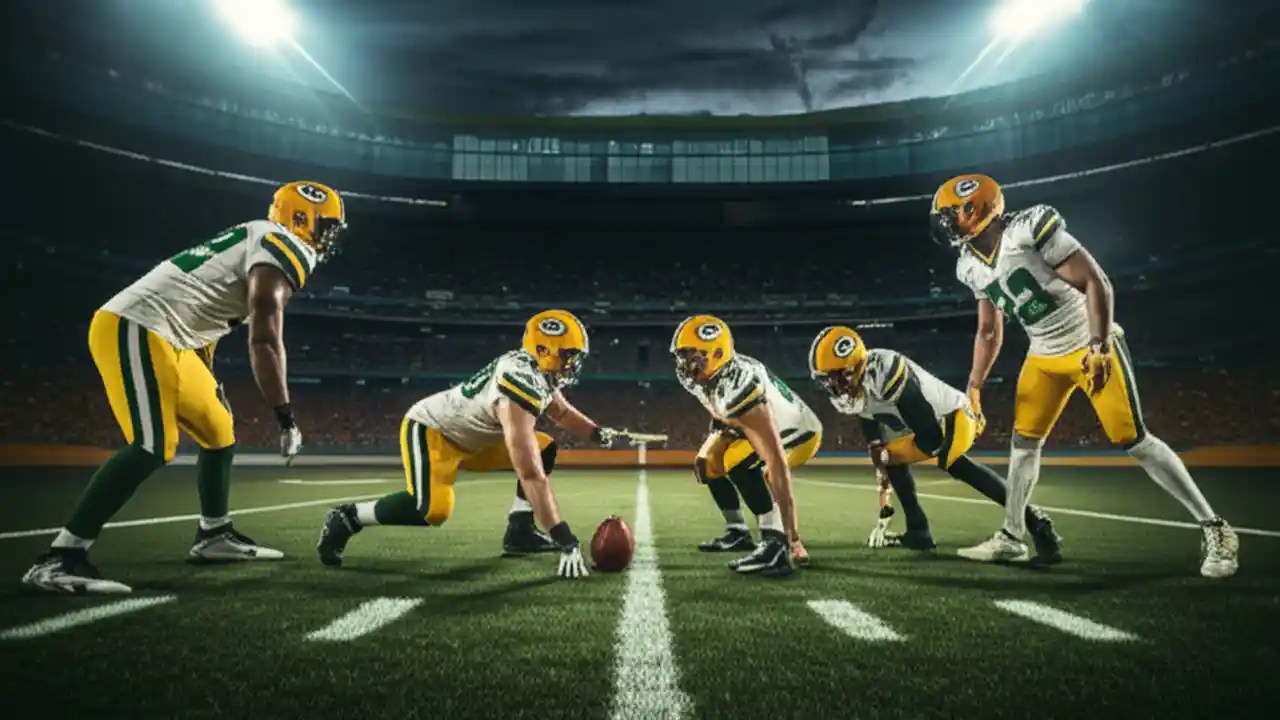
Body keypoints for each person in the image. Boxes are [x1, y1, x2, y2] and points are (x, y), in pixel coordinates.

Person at [23, 181, 347, 594]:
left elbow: (205, 318)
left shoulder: (259, 236)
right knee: (152, 445)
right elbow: (265, 339)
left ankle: (214, 535)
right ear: (301, 218)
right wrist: (285, 417)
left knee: (219, 428)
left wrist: (204, 371)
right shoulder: (286, 245)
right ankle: (58, 558)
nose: (329, 236)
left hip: (173, 339)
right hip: (139, 325)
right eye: (327, 225)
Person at [932, 173, 1238, 577]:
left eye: (953, 213)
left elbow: (1096, 281)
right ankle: (1011, 535)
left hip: (1087, 343)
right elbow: (989, 329)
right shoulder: (968, 265)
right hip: (1042, 355)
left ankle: (1215, 528)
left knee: (1134, 439)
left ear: (980, 209)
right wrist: (974, 383)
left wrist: (1098, 345)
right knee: (1023, 444)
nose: (946, 222)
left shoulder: (1029, 229)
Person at [316, 310, 621, 579]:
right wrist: (564, 537)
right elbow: (529, 475)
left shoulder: (534, 370)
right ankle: (348, 517)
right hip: (433, 431)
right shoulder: (518, 384)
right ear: (543, 350)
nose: (573, 363)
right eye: (568, 355)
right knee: (432, 510)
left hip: (474, 440)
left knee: (545, 447)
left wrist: (596, 433)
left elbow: (562, 412)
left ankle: (520, 530)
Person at [808, 325, 1060, 559]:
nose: (832, 384)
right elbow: (866, 413)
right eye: (827, 379)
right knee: (888, 456)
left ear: (857, 365)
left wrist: (891, 454)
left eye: (836, 376)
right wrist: (876, 445)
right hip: (926, 425)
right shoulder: (847, 390)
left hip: (953, 416)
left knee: (953, 463)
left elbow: (929, 438)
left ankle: (1035, 520)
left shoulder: (886, 370)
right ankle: (919, 531)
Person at [671, 315, 822, 576]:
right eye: (682, 355)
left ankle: (775, 544)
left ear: (716, 352)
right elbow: (719, 408)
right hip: (749, 425)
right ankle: (738, 531)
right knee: (707, 463)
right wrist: (718, 436)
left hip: (796, 432)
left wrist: (792, 536)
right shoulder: (704, 376)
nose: (684, 363)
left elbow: (775, 461)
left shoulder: (739, 383)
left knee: (740, 467)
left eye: (691, 355)